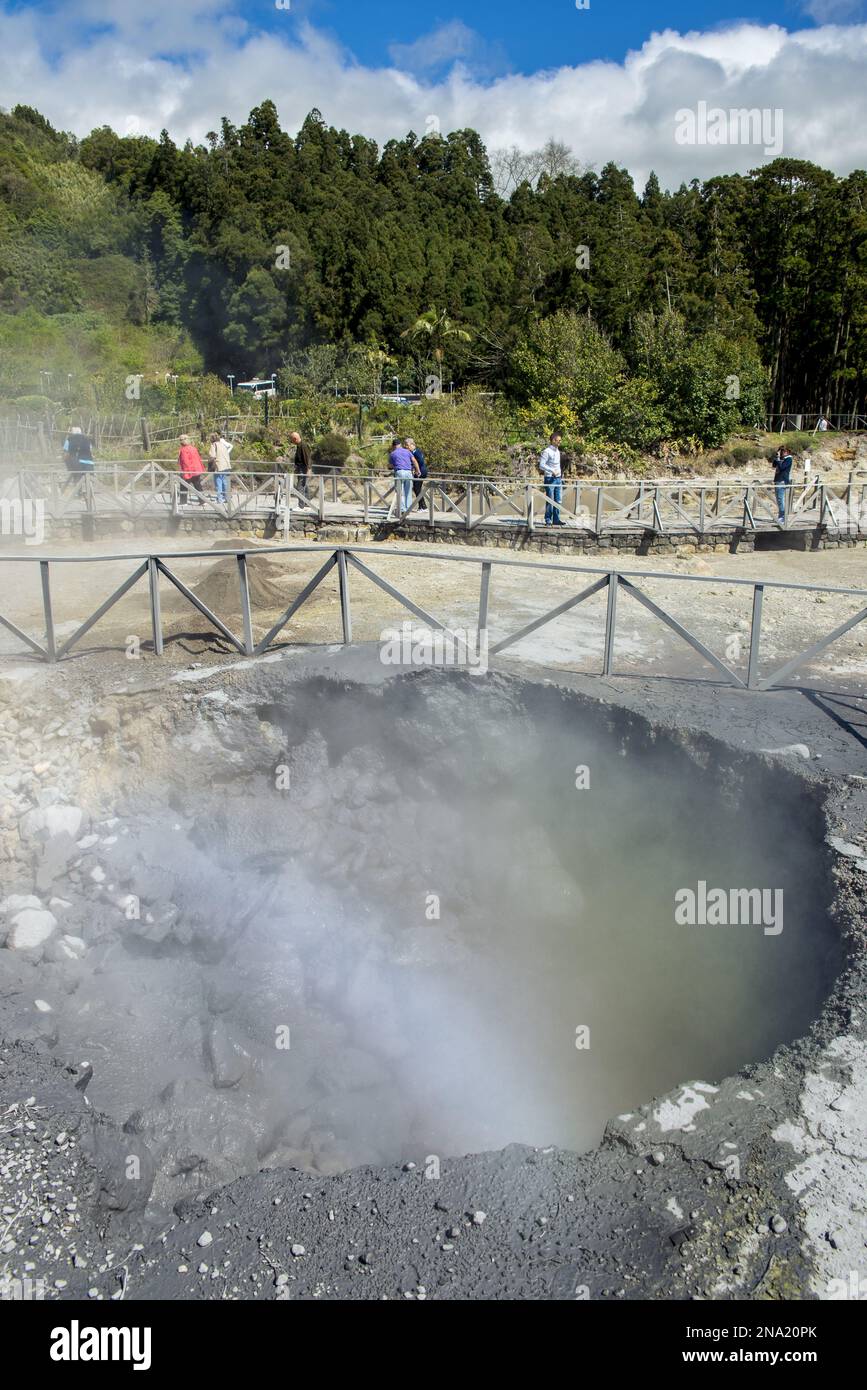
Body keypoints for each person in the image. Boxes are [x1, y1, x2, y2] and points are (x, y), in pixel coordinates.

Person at [539, 431, 564, 526]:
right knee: (550, 500)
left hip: (558, 479)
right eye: (558, 440)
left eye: (560, 440)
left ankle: (556, 520)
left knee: (558, 500)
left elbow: (557, 465)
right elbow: (541, 465)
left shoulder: (557, 451)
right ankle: (548, 520)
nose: (560, 442)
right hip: (550, 478)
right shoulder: (546, 451)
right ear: (553, 440)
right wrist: (551, 470)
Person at [389, 437, 415, 514]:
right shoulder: (407, 451)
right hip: (408, 472)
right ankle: (408, 508)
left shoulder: (393, 453)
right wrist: (418, 470)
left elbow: (390, 465)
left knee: (400, 492)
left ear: (393, 446)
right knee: (408, 491)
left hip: (399, 472)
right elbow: (414, 460)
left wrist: (394, 466)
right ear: (400, 445)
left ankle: (403, 509)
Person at [177, 434, 205, 504]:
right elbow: (198, 459)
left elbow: (185, 462)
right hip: (196, 470)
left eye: (180, 440)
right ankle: (203, 501)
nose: (180, 441)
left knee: (183, 486)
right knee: (198, 486)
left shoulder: (183, 450)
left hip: (189, 470)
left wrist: (185, 473)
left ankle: (183, 502)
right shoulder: (193, 448)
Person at [208, 431, 233, 503]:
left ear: (212, 439)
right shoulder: (222, 444)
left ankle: (220, 499)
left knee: (218, 482)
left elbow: (212, 456)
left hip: (219, 466)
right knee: (225, 482)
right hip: (227, 465)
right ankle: (227, 498)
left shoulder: (213, 445)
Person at [773, 445, 793, 525]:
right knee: (779, 500)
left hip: (782, 481)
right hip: (778, 481)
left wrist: (778, 459)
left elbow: (781, 467)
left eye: (783, 451)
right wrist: (776, 457)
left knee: (780, 500)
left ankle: (783, 517)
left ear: (787, 452)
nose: (782, 453)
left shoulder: (788, 459)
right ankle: (781, 516)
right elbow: (774, 465)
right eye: (781, 451)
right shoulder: (781, 459)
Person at [405, 437, 427, 509]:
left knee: (416, 488)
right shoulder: (413, 452)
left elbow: (420, 461)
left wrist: (416, 469)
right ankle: (422, 506)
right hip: (419, 471)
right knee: (416, 488)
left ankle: (423, 507)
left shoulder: (416, 452)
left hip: (421, 472)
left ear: (412, 445)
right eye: (406, 445)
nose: (406, 447)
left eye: (407, 445)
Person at [291, 431, 312, 500]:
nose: (292, 441)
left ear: (295, 439)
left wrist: (309, 469)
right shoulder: (299, 445)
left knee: (300, 487)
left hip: (303, 469)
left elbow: (308, 457)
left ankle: (301, 505)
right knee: (304, 486)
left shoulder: (303, 445)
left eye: (292, 439)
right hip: (300, 469)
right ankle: (306, 503)